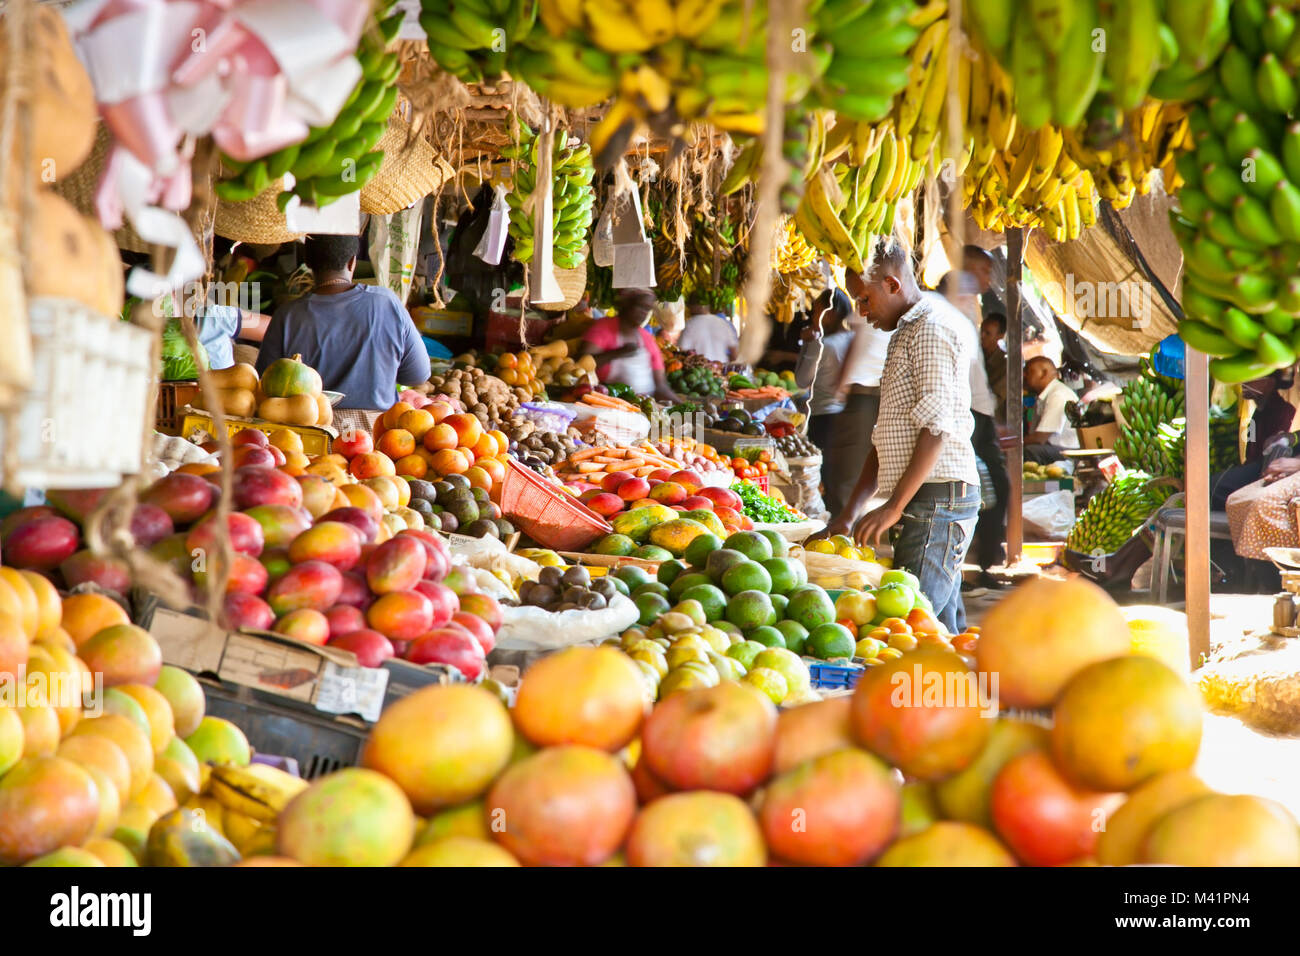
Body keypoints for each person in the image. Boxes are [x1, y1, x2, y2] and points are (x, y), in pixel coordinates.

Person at [823, 238, 981, 633]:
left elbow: (937, 427)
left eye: (864, 299)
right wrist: (848, 514)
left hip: (937, 502)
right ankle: (955, 693)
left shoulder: (930, 329)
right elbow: (886, 437)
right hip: (924, 501)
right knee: (934, 628)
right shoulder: (904, 331)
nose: (860, 312)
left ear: (892, 285)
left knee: (908, 628)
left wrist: (894, 506)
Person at [256, 235, 431, 427]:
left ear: (307, 262)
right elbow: (418, 375)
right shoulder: (387, 303)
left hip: (307, 439)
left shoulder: (287, 315)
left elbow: (264, 386)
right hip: (377, 440)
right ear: (352, 262)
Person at [794, 288, 855, 515]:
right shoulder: (855, 339)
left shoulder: (824, 346)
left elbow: (802, 380)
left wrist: (809, 344)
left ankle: (829, 528)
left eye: (817, 312)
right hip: (850, 417)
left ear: (831, 313)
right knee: (842, 479)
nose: (812, 317)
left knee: (825, 480)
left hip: (825, 420)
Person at [580, 288, 679, 402]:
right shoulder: (603, 328)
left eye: (647, 309)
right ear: (626, 304)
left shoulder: (647, 339)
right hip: (607, 404)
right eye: (640, 306)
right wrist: (618, 353)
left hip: (642, 407)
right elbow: (582, 364)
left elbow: (661, 386)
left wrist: (687, 409)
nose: (644, 313)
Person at [1023, 355, 1079, 463]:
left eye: (1029, 372)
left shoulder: (1058, 395)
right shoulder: (1045, 395)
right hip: (1056, 448)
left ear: (1043, 373)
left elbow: (1040, 438)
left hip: (1069, 451)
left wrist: (1016, 443)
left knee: (1030, 451)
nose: (1025, 376)